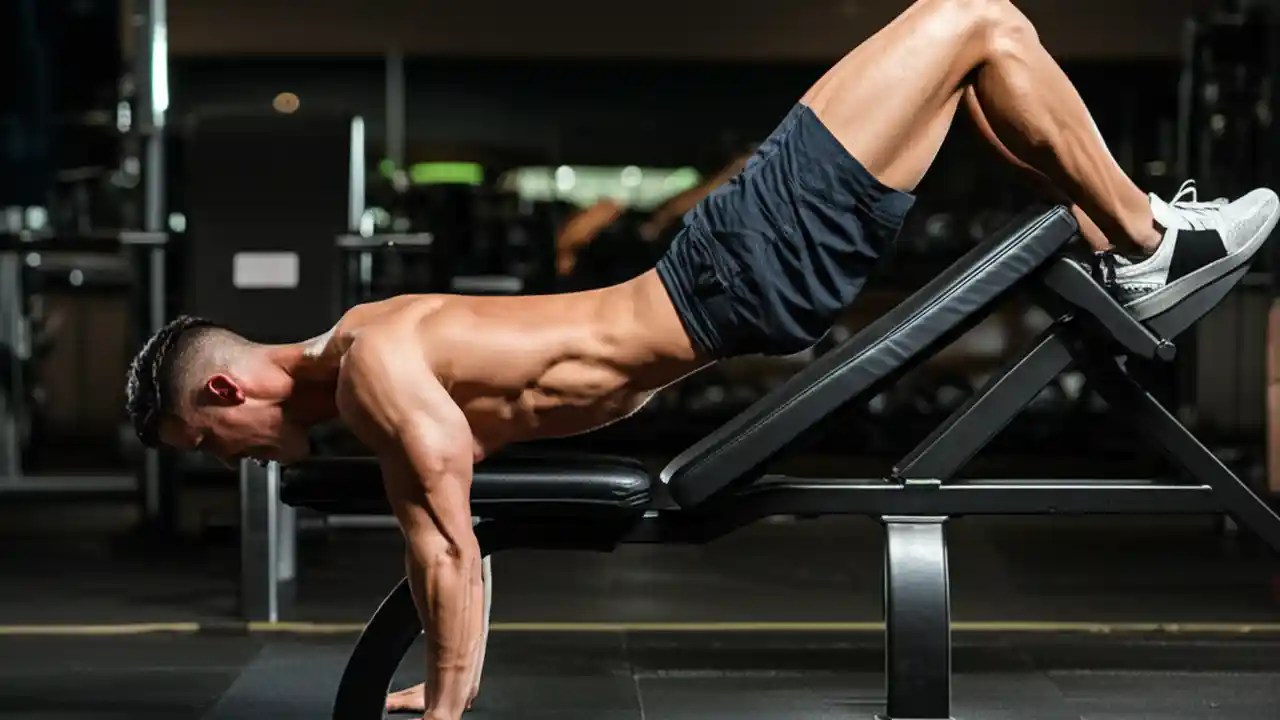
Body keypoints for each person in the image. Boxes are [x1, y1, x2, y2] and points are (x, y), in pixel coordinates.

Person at [125, 1, 1278, 718]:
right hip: (731, 279)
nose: (231, 460)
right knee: (978, 26)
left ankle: (1132, 240)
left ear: (226, 387)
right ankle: (1139, 239)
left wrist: (445, 707)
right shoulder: (367, 361)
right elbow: (449, 539)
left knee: (979, 34)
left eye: (209, 440)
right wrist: (446, 689)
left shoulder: (372, 365)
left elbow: (448, 543)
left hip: (728, 272)